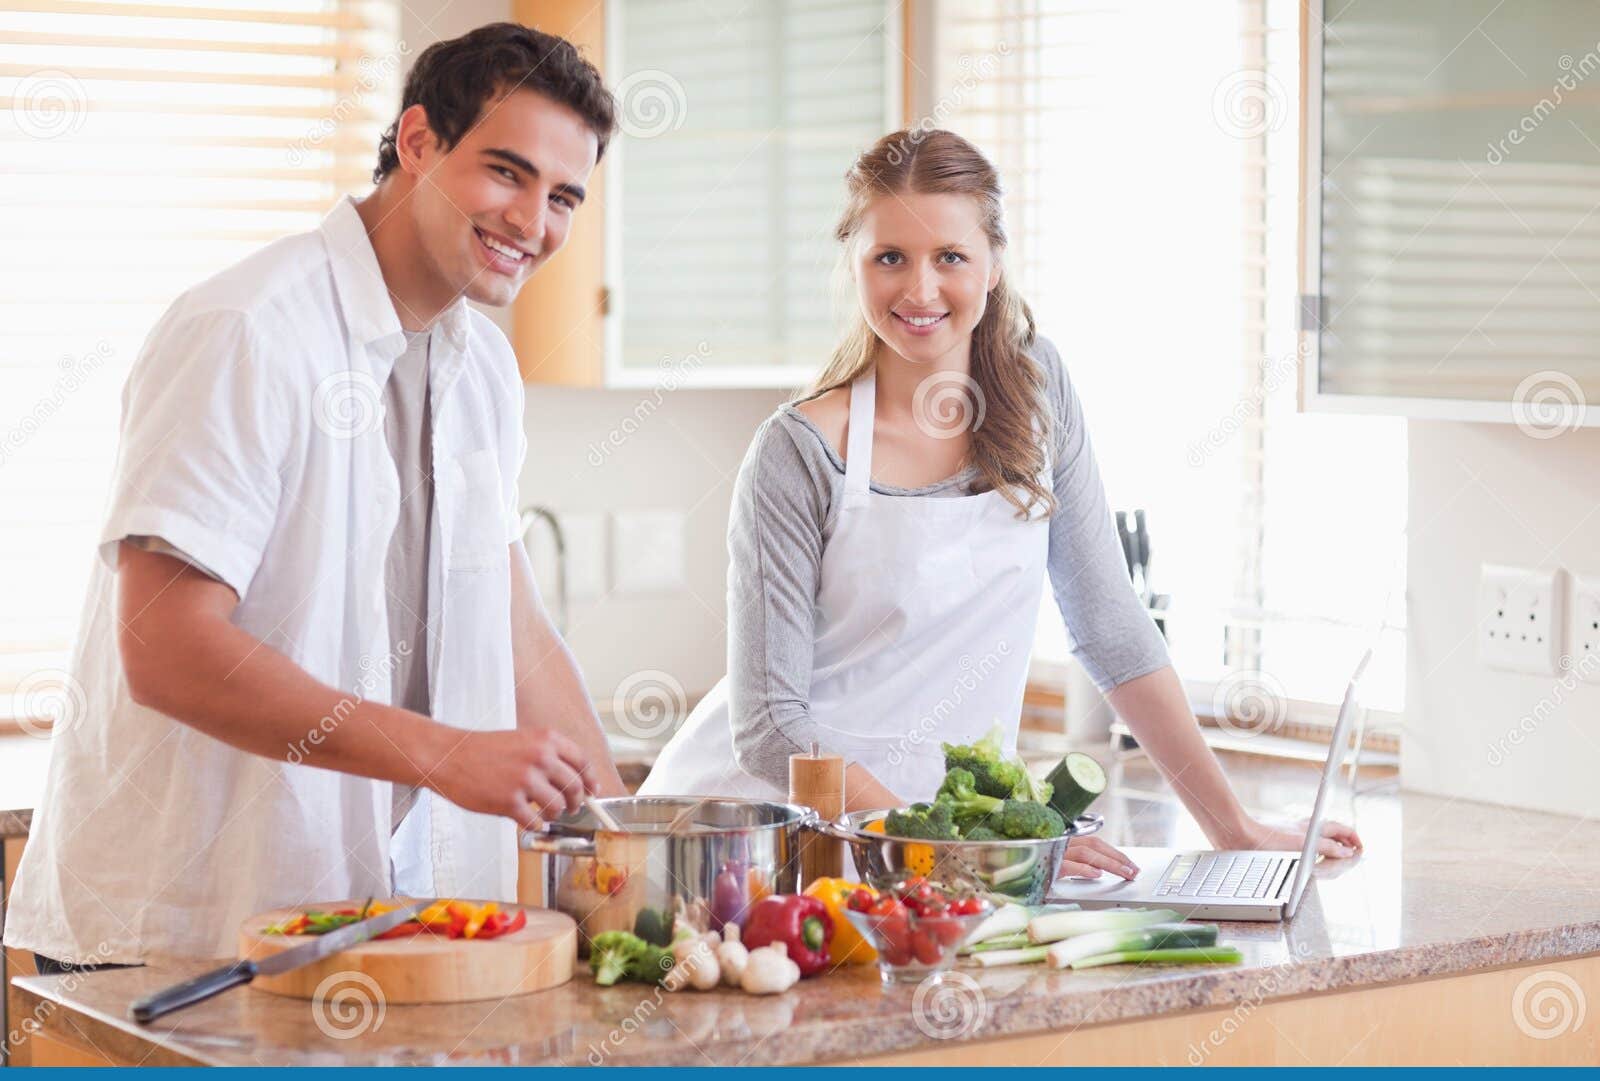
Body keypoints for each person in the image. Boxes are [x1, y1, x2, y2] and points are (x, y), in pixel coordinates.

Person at [4, 24, 624, 969]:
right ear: (417, 141)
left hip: (361, 930)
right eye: (507, 172)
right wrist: (447, 753)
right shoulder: (248, 328)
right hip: (172, 933)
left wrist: (633, 843)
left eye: (564, 198)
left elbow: (515, 625)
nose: (533, 222)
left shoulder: (482, 369)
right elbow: (165, 648)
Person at [641, 129, 1361, 878]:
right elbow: (769, 728)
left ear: (993, 265)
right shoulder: (799, 450)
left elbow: (1110, 628)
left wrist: (1234, 828)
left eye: (950, 256)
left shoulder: (1038, 392)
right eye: (890, 257)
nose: (920, 291)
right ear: (853, 263)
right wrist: (954, 843)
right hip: (770, 843)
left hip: (942, 851)